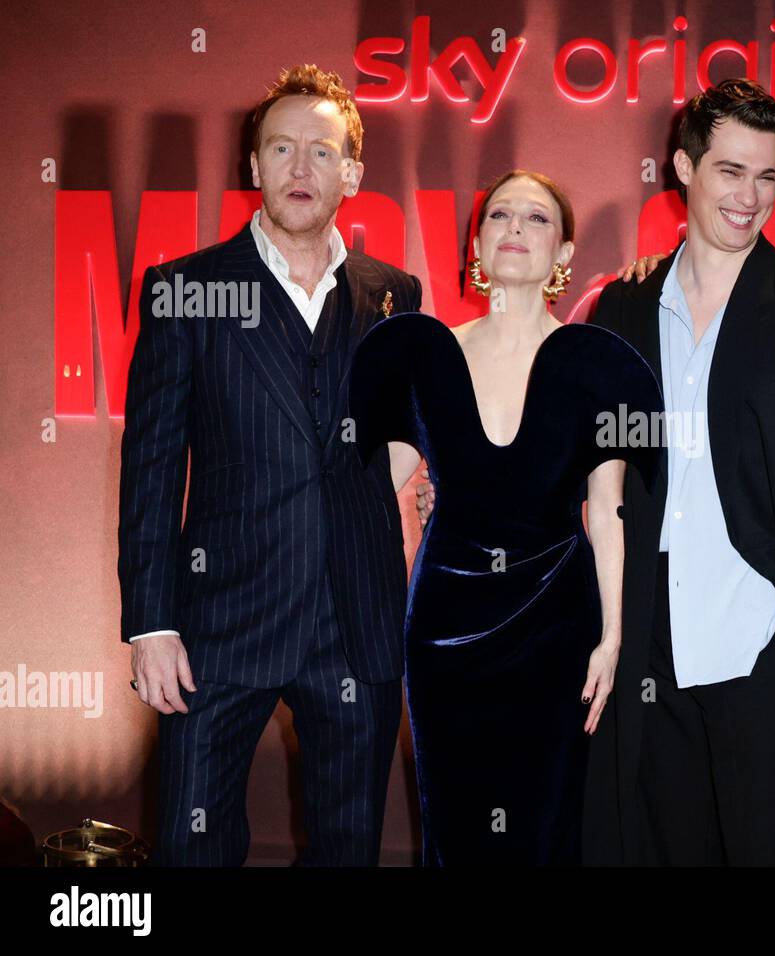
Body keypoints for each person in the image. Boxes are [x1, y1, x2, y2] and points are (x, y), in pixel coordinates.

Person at [118, 65, 420, 865]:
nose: (298, 168)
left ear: (352, 173)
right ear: (252, 167)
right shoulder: (184, 290)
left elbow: (405, 435)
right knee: (192, 846)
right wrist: (152, 622)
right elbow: (149, 464)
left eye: (321, 152)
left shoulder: (395, 296)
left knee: (348, 849)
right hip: (218, 625)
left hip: (354, 622)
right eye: (279, 148)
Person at [575, 78, 775, 866]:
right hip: (651, 648)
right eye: (730, 172)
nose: (750, 198)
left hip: (763, 640)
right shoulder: (625, 307)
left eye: (767, 176)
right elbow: (602, 474)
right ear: (683, 167)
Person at [347, 170, 662, 866]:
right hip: (446, 631)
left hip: (557, 626)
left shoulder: (594, 363)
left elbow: (607, 511)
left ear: (565, 254)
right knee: (454, 826)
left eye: (536, 219)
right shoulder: (426, 354)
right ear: (477, 242)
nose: (514, 229)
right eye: (499, 216)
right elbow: (371, 488)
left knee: (547, 827)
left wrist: (612, 638)